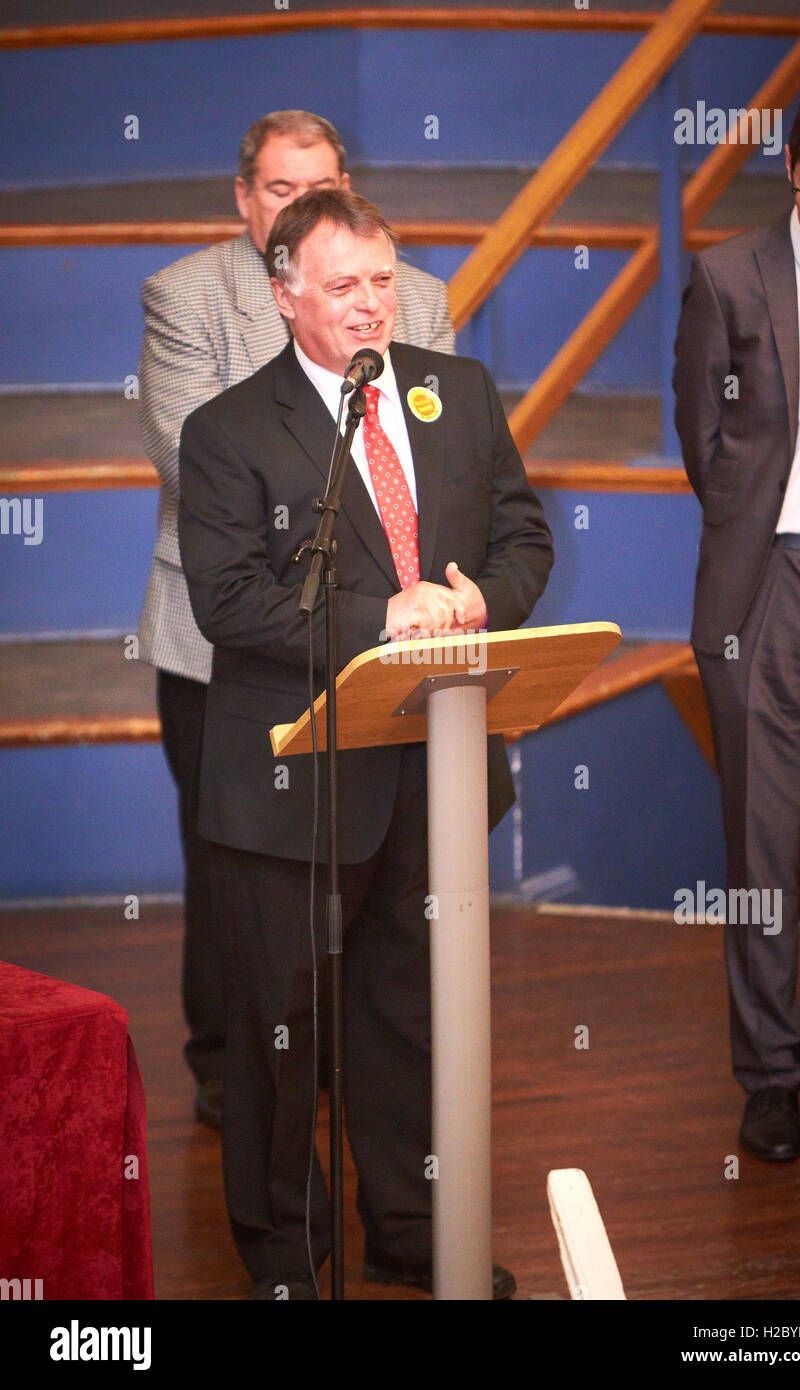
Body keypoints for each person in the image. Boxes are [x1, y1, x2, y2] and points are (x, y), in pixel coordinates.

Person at [176, 187, 553, 1298]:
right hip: (290, 778)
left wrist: (481, 596)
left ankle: (413, 1227)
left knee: (410, 1020)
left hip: (431, 771)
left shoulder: (459, 393)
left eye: (383, 281)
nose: (369, 306)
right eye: (341, 286)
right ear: (283, 294)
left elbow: (524, 536)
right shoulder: (228, 430)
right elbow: (228, 601)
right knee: (280, 1031)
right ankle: (287, 1256)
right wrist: (379, 617)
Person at [137, 111, 455, 1127]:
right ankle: (234, 1075)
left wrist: (385, 598)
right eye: (280, 190)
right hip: (227, 647)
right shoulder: (185, 295)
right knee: (240, 891)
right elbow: (203, 465)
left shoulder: (420, 297)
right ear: (245, 199)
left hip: (389, 644)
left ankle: (342, 1084)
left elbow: (432, 466)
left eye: (321, 184)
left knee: (381, 898)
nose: (301, 206)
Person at [674, 85, 800, 1163]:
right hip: (765, 585)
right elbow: (700, 438)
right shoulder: (725, 274)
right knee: (756, 852)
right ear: (785, 168)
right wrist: (771, 525)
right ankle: (766, 1074)